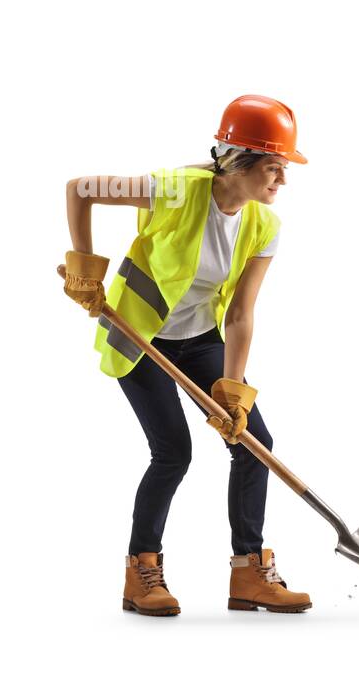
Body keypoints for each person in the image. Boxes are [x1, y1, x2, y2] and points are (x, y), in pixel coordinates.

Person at [58, 94, 313, 618]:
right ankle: (141, 572)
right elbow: (79, 189)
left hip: (199, 339)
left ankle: (249, 573)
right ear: (238, 162)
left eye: (284, 169)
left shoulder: (264, 226)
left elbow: (241, 315)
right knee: (173, 453)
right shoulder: (172, 190)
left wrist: (233, 393)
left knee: (253, 441)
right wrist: (85, 268)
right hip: (140, 336)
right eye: (272, 167)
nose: (281, 181)